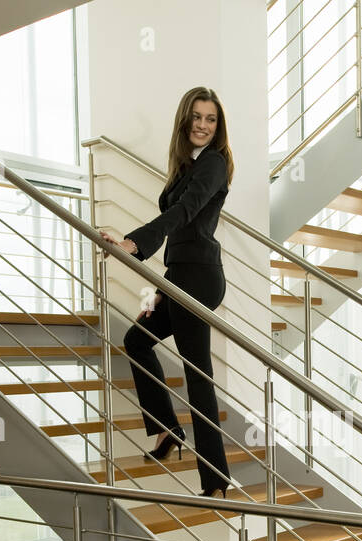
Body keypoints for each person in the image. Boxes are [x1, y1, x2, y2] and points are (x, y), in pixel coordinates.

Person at [100, 87, 235, 498]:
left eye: (210, 119)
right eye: (196, 117)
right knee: (135, 340)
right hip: (179, 276)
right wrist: (163, 285)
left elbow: (182, 214)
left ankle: (215, 480)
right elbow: (179, 219)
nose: (202, 125)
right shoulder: (188, 164)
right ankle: (167, 429)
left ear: (218, 126)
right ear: (185, 120)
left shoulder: (213, 164)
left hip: (199, 278)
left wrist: (135, 243)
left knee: (198, 376)